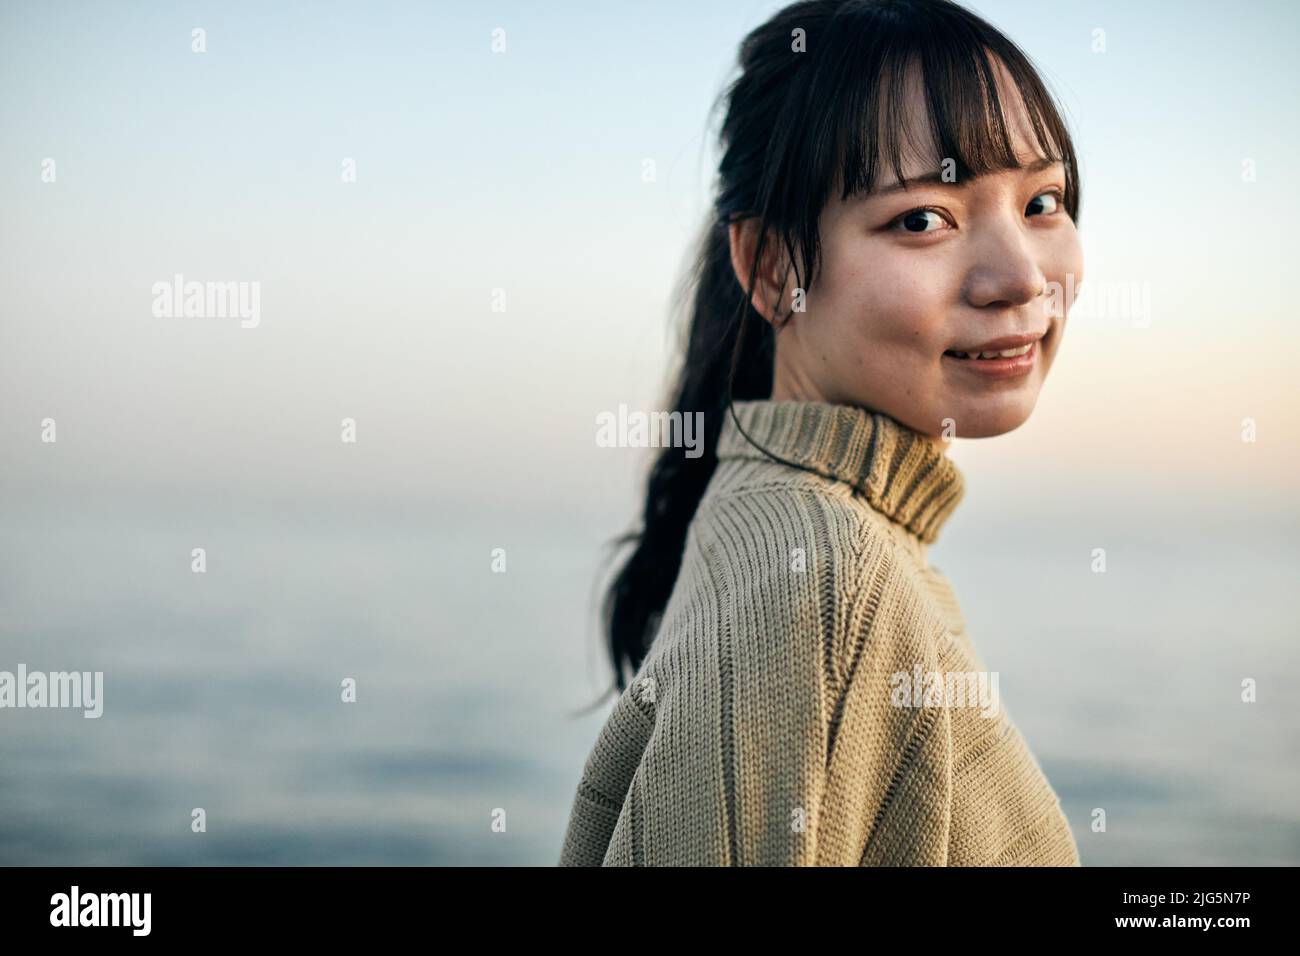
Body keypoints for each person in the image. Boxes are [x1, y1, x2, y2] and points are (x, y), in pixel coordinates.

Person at [560, 0, 1084, 866]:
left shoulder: (792, 531)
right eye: (922, 218)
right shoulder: (829, 586)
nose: (1021, 277)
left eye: (1043, 200)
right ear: (773, 268)